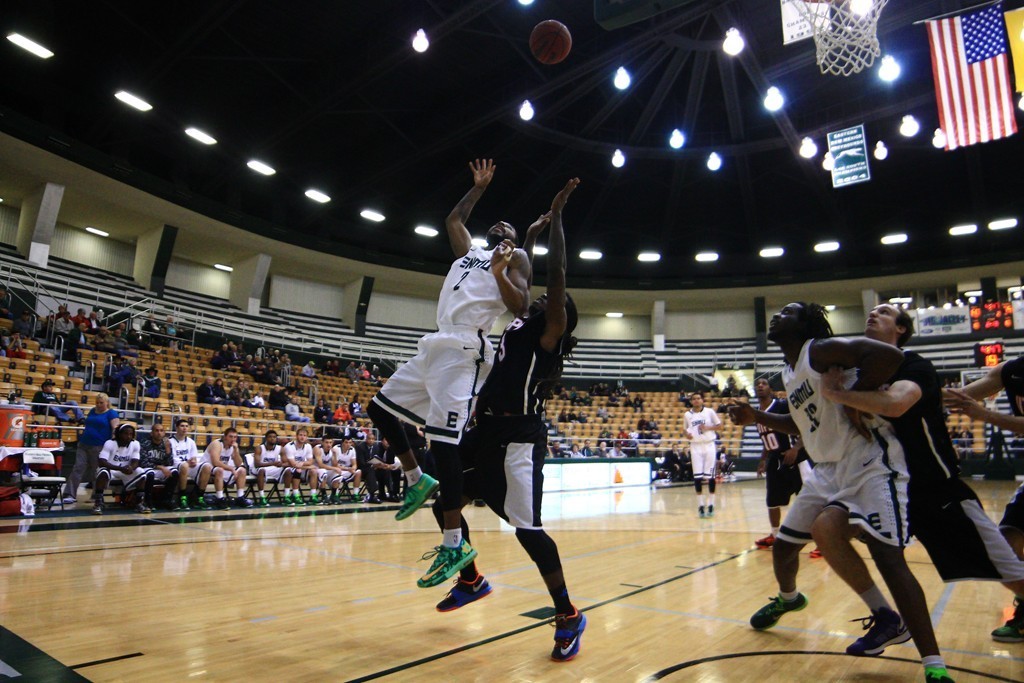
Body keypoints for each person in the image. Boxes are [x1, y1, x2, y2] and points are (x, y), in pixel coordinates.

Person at [728, 303, 953, 683]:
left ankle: (934, 664)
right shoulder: (790, 368)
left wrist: (852, 395)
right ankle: (800, 602)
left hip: (868, 461)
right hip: (826, 468)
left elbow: (888, 354)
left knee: (886, 555)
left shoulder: (819, 349)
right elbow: (801, 423)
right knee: (791, 544)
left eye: (787, 313)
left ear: (805, 325)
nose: (776, 316)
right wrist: (757, 417)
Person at [366, 158, 545, 587]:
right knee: (379, 409)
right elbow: (453, 217)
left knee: (444, 442)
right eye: (496, 221)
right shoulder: (470, 252)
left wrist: (506, 268)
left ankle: (453, 544)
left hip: (467, 347)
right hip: (436, 342)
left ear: (515, 240)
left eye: (510, 227)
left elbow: (521, 306)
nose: (501, 224)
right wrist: (478, 188)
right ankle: (415, 477)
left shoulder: (513, 256)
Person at [436, 178, 585, 661]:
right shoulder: (523, 321)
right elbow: (526, 277)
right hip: (489, 429)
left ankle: (567, 612)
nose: (542, 297)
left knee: (527, 531)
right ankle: (471, 579)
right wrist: (528, 240)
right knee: (447, 499)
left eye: (552, 301)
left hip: (521, 435)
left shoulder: (549, 334)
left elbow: (555, 275)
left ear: (560, 316)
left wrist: (558, 216)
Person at [945, 352, 1024, 641]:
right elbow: (960, 396)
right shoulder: (1013, 369)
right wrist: (912, 387)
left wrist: (985, 415)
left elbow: (977, 410)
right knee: (1007, 541)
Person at [751, 377, 811, 549]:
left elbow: (805, 425)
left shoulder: (782, 406)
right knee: (772, 500)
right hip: (774, 459)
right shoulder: (757, 413)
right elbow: (766, 439)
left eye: (764, 384)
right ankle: (775, 535)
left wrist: (796, 448)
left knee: (809, 500)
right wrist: (763, 459)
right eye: (757, 384)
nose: (760, 386)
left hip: (795, 457)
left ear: (770, 389)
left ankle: (820, 540)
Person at [63, 392, 120, 505]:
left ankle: (96, 495)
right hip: (84, 444)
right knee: (77, 468)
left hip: (99, 446)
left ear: (107, 403)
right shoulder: (93, 411)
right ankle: (70, 494)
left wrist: (112, 444)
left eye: (101, 403)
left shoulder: (111, 413)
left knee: (96, 471)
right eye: (97, 403)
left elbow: (115, 429)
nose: (99, 405)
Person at [92, 423, 152, 514]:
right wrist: (120, 468)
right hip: (111, 470)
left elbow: (136, 461)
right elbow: (102, 462)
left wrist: (131, 468)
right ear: (119, 434)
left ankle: (139, 503)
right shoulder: (110, 443)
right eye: (126, 434)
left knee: (141, 472)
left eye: (131, 434)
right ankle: (98, 503)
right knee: (103, 471)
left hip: (125, 471)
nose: (128, 436)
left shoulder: (135, 444)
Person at [683, 391, 722, 517]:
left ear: (702, 400)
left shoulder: (709, 412)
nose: (696, 400)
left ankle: (711, 504)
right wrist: (687, 435)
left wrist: (708, 428)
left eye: (698, 398)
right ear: (691, 401)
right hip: (695, 446)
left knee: (710, 476)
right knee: (697, 477)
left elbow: (719, 426)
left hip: (709, 444)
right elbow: (684, 430)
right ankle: (700, 505)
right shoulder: (687, 415)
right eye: (694, 399)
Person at [203, 427, 254, 509]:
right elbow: (215, 462)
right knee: (220, 470)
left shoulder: (233, 446)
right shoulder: (217, 444)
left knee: (242, 470)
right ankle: (220, 498)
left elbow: (239, 463)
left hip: (222, 469)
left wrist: (236, 450)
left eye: (235, 437)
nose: (233, 439)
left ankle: (240, 497)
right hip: (208, 469)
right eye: (230, 436)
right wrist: (231, 469)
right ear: (225, 437)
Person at [168, 419, 212, 511]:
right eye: (182, 426)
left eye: (186, 426)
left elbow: (194, 457)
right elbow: (171, 459)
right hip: (176, 466)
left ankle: (199, 497)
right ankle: (182, 498)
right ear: (176, 427)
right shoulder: (170, 441)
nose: (184, 428)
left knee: (207, 466)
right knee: (184, 466)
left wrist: (194, 461)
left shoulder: (191, 441)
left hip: (188, 465)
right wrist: (188, 462)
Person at [139, 422, 174, 508]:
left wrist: (168, 450)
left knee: (174, 472)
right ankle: (148, 500)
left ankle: (166, 499)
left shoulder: (166, 444)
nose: (159, 433)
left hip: (160, 469)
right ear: (152, 433)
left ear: (164, 433)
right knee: (150, 473)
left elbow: (169, 463)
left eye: (161, 430)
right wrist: (160, 467)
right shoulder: (144, 443)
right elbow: (143, 462)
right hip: (147, 468)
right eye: (156, 430)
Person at [281, 427, 317, 505]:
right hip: (287, 469)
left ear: (307, 437)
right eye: (300, 435)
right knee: (297, 470)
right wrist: (307, 466)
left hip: (300, 467)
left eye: (304, 435)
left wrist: (303, 464)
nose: (302, 437)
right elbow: (293, 464)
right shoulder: (289, 446)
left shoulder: (308, 446)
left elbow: (310, 461)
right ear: (296, 436)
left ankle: (313, 496)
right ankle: (292, 495)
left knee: (313, 471)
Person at [251, 430, 286, 507]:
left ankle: (287, 495)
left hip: (274, 469)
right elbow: (257, 464)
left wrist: (282, 464)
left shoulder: (280, 448)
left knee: (288, 470)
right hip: (261, 468)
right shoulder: (259, 448)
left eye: (274, 437)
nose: (272, 439)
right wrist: (273, 463)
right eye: (270, 437)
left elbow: (287, 463)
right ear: (266, 438)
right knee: (261, 470)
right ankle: (262, 496)